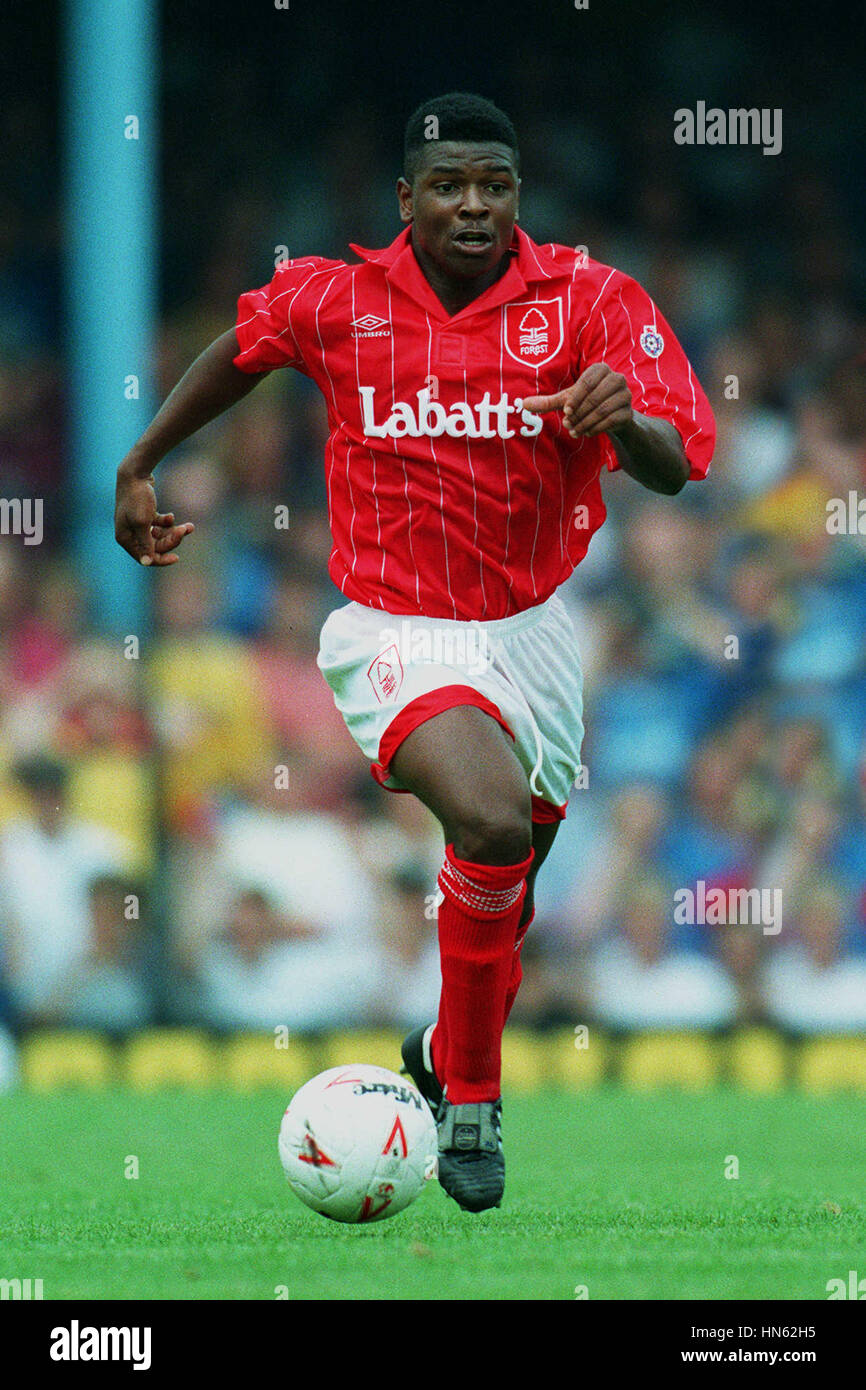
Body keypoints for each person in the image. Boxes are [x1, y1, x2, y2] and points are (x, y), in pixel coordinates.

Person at [115, 92, 714, 1212]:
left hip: (533, 633)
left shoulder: (589, 301)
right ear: (407, 198)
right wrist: (139, 461)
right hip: (390, 625)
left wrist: (619, 420)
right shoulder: (335, 297)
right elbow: (243, 348)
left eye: (494, 183)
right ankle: (474, 1105)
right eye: (449, 185)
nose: (473, 204)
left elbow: (676, 460)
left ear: (517, 194)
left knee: (509, 886)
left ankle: (443, 1047)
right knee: (485, 822)